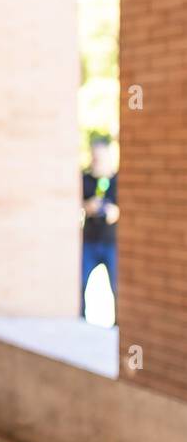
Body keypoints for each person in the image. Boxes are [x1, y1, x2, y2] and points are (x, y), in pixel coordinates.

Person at [80, 133, 119, 319]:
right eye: (93, 156)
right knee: (81, 283)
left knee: (117, 287)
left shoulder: (118, 180)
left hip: (111, 242)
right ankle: (80, 319)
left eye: (100, 156)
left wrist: (114, 212)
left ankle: (119, 326)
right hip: (88, 240)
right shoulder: (84, 179)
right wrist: (87, 207)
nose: (96, 160)